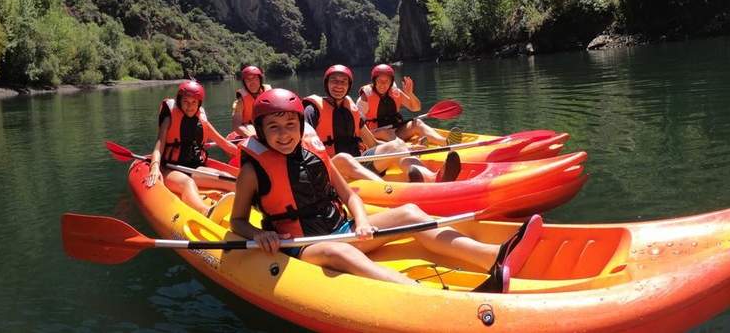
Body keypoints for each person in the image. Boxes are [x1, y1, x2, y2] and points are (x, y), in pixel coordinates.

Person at [229, 88, 542, 290]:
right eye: (273, 128)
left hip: (344, 229)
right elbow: (238, 221)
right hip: (303, 245)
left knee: (409, 213)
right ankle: (415, 292)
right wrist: (258, 234)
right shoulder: (251, 171)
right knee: (339, 251)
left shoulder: (315, 154)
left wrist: (362, 221)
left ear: (300, 125)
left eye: (290, 126)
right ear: (261, 131)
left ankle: (495, 257)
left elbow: (349, 195)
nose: (284, 135)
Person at [303, 65, 460, 183]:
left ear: (349, 85)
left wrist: (404, 148)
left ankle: (431, 178)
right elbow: (303, 144)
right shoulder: (313, 110)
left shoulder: (350, 108)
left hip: (359, 160)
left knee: (397, 145)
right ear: (326, 83)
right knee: (344, 158)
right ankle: (387, 189)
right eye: (334, 81)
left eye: (343, 82)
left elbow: (371, 142)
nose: (339, 85)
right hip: (334, 167)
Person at [144, 80, 239, 216]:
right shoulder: (169, 118)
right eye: (186, 102)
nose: (190, 106)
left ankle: (248, 207)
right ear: (180, 101)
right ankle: (206, 212)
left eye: (194, 102)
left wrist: (252, 155)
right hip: (170, 168)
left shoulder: (201, 120)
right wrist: (154, 166)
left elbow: (225, 144)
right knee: (187, 183)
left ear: (199, 103)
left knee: (228, 179)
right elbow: (159, 144)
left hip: (194, 168)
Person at [357, 64, 448, 146]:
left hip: (396, 131)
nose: (383, 84)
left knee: (417, 123)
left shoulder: (396, 92)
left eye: (387, 81)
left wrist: (410, 94)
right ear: (374, 81)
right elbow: (356, 123)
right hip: (375, 136)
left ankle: (445, 142)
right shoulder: (366, 97)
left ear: (391, 82)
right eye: (380, 81)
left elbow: (416, 108)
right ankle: (410, 148)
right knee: (384, 132)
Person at [230, 65, 272, 138]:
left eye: (255, 78)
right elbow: (236, 126)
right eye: (248, 80)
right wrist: (254, 137)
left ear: (260, 80)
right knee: (250, 127)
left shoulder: (269, 93)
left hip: (267, 125)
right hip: (249, 128)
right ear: (244, 83)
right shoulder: (240, 102)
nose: (252, 82)